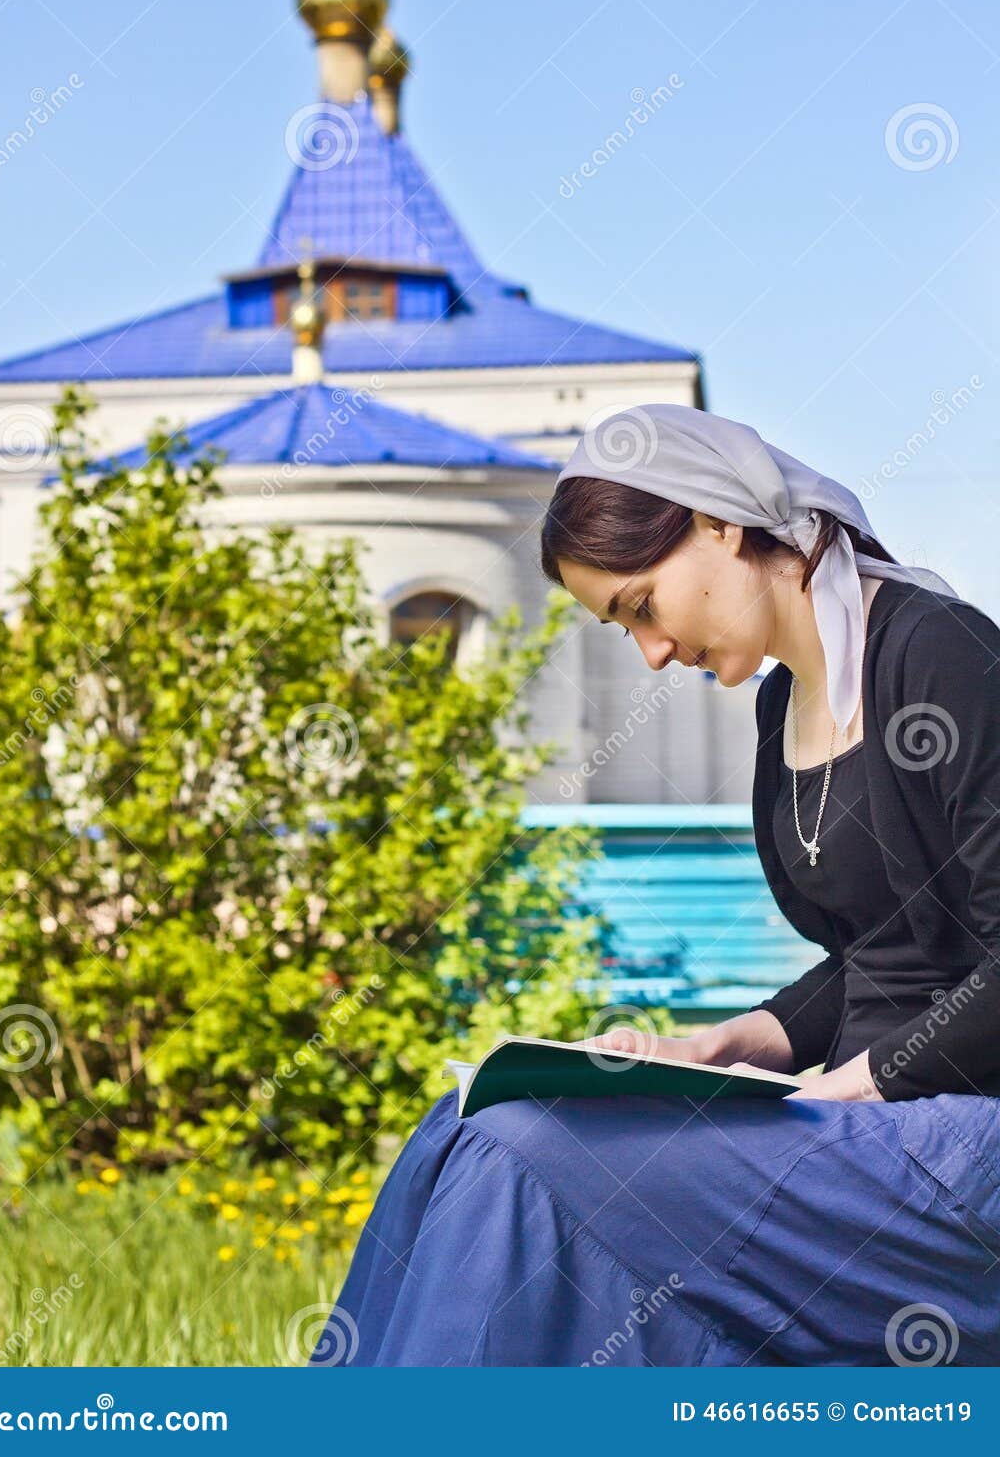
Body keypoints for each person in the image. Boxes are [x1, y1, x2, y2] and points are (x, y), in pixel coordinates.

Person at [309, 403, 1000, 1368]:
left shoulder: (942, 654)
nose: (654, 652)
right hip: (862, 1132)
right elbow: (882, 955)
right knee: (474, 1121)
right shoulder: (783, 704)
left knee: (530, 1152)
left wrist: (847, 1089)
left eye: (642, 606)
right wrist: (718, 1047)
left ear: (718, 522)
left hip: (957, 1144)